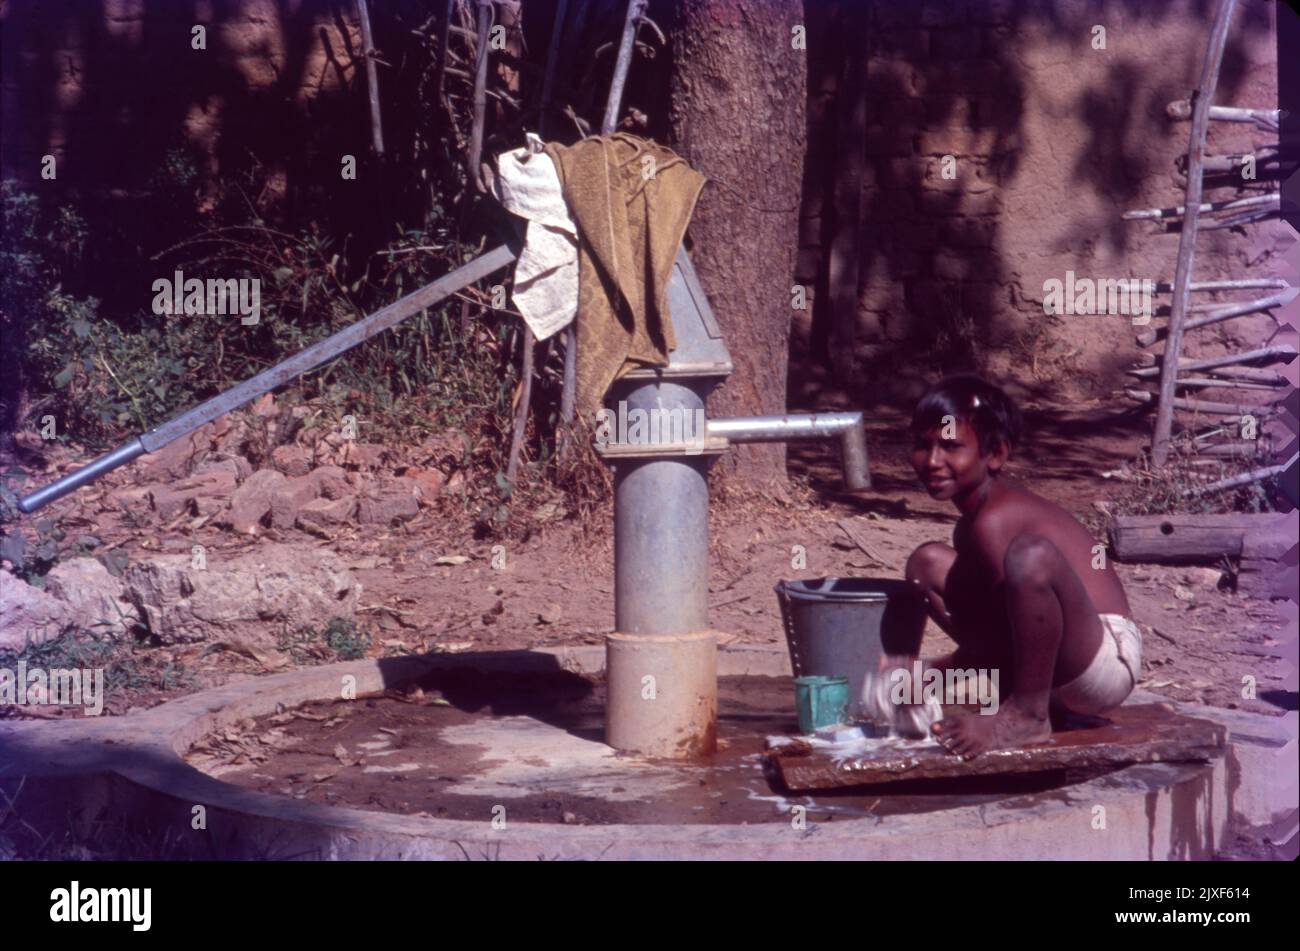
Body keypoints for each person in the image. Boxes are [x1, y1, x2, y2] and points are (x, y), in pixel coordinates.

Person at [880, 375, 1140, 758]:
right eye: (923, 445)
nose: (933, 461)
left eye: (950, 446)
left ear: (996, 455)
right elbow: (1001, 633)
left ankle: (1028, 715)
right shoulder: (971, 524)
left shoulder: (995, 520)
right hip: (1062, 663)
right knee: (928, 562)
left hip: (1103, 663)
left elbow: (1004, 639)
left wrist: (934, 673)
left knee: (1031, 556)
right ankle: (1017, 695)